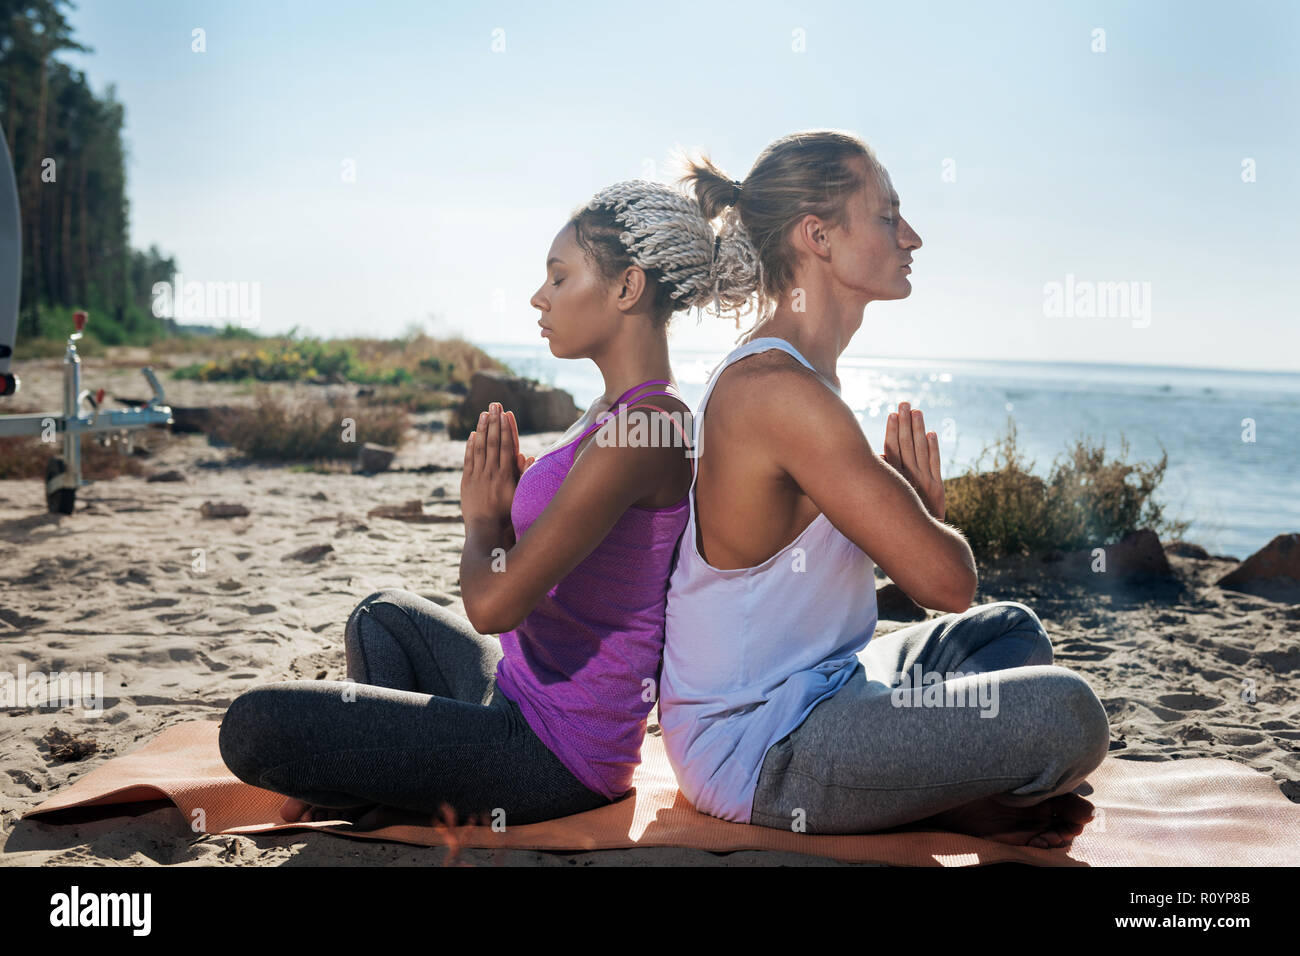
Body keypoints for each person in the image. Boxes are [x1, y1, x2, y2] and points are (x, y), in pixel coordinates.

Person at [218, 179, 749, 827]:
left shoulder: (645, 428)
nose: (539, 296)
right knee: (381, 614)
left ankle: (380, 783)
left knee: (253, 728)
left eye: (559, 277)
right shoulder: (615, 410)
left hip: (554, 756)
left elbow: (493, 607)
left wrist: (485, 519)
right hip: (514, 692)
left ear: (627, 288)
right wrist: (517, 507)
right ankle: (386, 777)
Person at [658, 130, 1111, 846]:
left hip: (828, 679)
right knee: (1068, 715)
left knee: (1012, 632)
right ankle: (957, 803)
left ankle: (939, 795)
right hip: (757, 746)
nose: (913, 237)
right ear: (819, 237)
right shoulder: (778, 392)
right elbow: (949, 580)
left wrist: (913, 517)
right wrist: (924, 521)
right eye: (888, 216)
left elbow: (893, 593)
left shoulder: (804, 377)